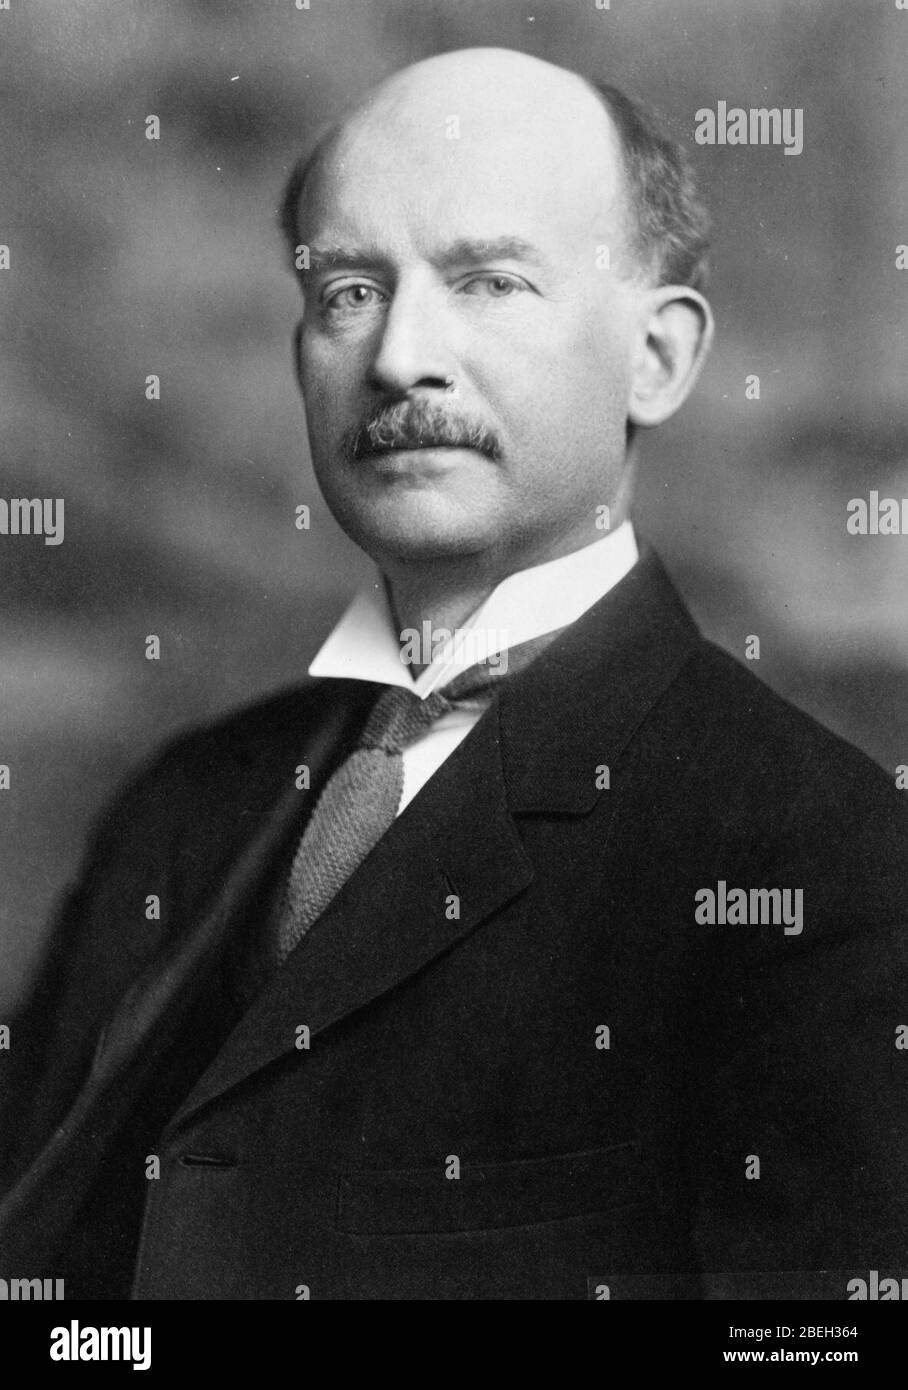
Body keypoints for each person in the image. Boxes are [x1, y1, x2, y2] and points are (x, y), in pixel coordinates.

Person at [2, 47, 906, 1301]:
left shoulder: (814, 852)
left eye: (488, 282)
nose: (397, 359)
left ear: (657, 356)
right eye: (349, 293)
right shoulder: (182, 803)